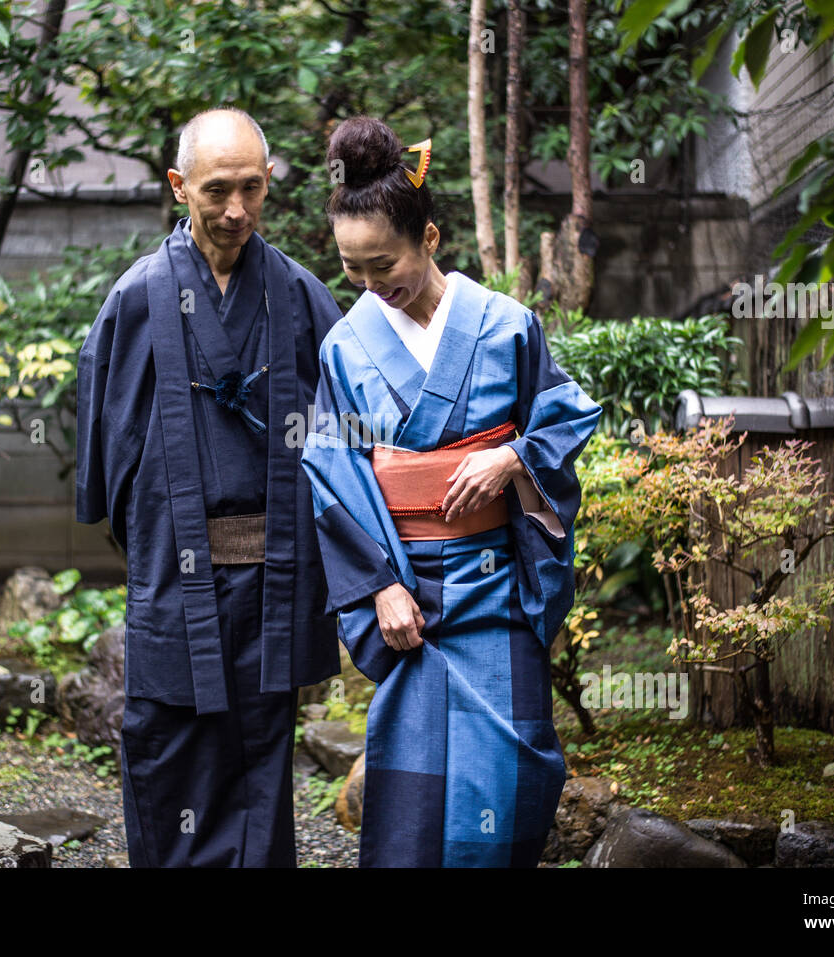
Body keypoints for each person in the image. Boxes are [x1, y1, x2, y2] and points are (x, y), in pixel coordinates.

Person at [300, 116, 602, 867]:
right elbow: (330, 470)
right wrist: (376, 588)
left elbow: (561, 419)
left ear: (429, 238)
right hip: (409, 605)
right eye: (353, 270)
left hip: (498, 596)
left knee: (514, 781)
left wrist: (510, 457)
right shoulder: (346, 344)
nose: (372, 286)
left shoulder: (504, 327)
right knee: (413, 800)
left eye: (384, 264)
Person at [75, 107, 342, 867]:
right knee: (168, 744)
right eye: (217, 189)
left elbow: (346, 439)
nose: (235, 210)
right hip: (176, 576)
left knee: (259, 761)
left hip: (274, 582)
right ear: (177, 186)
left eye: (252, 189)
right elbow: (107, 458)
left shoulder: (299, 296)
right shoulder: (136, 300)